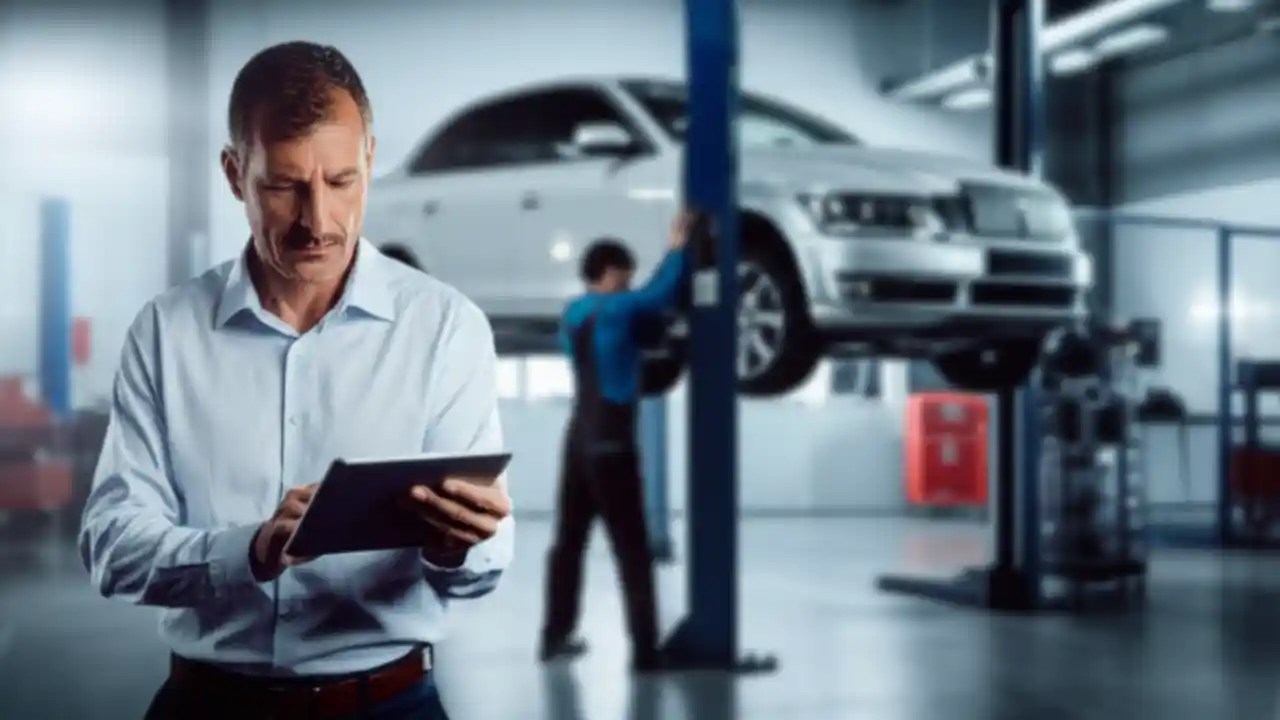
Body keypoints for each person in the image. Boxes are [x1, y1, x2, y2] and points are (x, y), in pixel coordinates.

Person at [78, 42, 513, 720]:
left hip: (390, 705)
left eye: (341, 181)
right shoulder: (166, 332)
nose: (318, 222)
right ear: (233, 173)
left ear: (370, 159)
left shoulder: (445, 327)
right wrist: (248, 550)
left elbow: (488, 562)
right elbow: (112, 547)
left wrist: (456, 547)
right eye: (283, 187)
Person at [540, 212, 693, 672]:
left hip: (576, 445)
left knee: (568, 544)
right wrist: (678, 246)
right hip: (612, 448)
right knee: (633, 551)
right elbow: (661, 295)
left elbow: (617, 354)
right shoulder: (619, 308)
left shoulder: (572, 314)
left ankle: (555, 636)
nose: (628, 287)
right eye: (623, 279)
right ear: (606, 275)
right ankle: (646, 654)